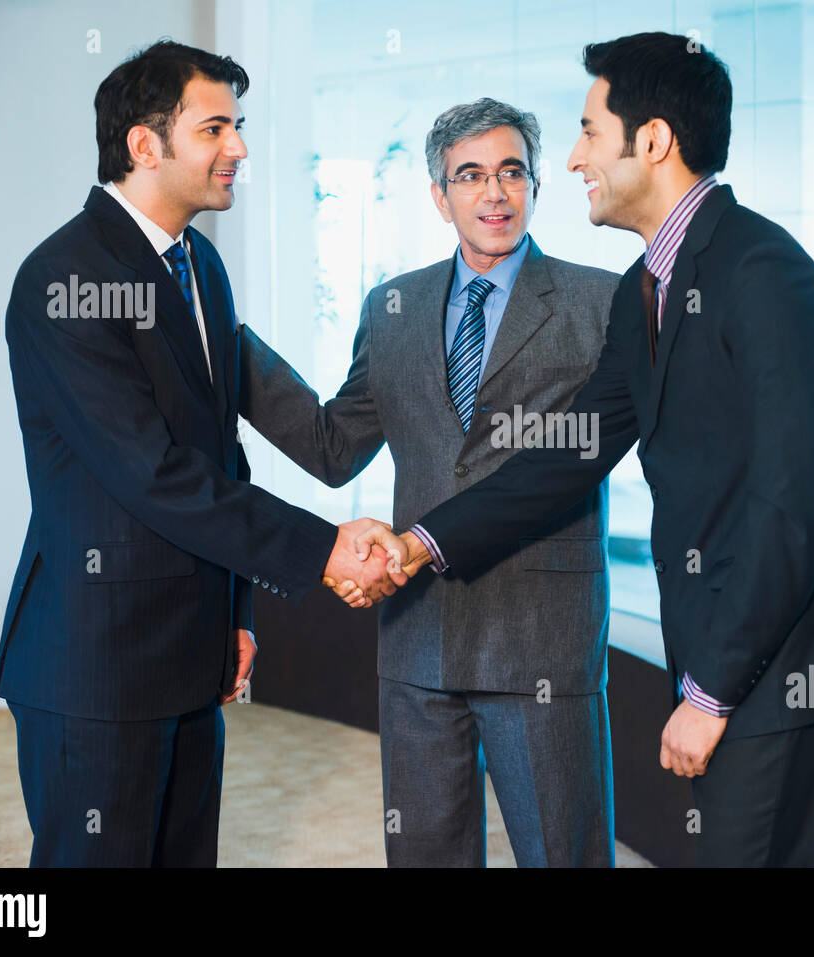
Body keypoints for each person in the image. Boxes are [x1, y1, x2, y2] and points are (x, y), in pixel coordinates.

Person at [353, 32, 814, 866]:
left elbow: (795, 504)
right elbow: (564, 456)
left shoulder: (763, 271)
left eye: (589, 132)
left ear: (654, 141)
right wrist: (423, 542)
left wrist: (711, 693)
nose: (572, 160)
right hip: (734, 660)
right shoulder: (651, 287)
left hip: (785, 667)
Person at [0, 40, 399, 867]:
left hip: (191, 656)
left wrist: (236, 614)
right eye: (216, 127)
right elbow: (156, 474)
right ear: (146, 145)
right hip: (98, 668)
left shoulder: (200, 265)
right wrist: (323, 547)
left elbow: (221, 453)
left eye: (238, 126)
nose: (239, 148)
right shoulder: (63, 277)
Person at [238, 98, 621, 866]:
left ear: (536, 184)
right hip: (417, 638)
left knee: (564, 855)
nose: (495, 194)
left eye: (512, 172)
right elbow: (333, 446)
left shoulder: (601, 302)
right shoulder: (393, 307)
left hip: (538, 638)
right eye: (471, 176)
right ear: (438, 196)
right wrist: (224, 347)